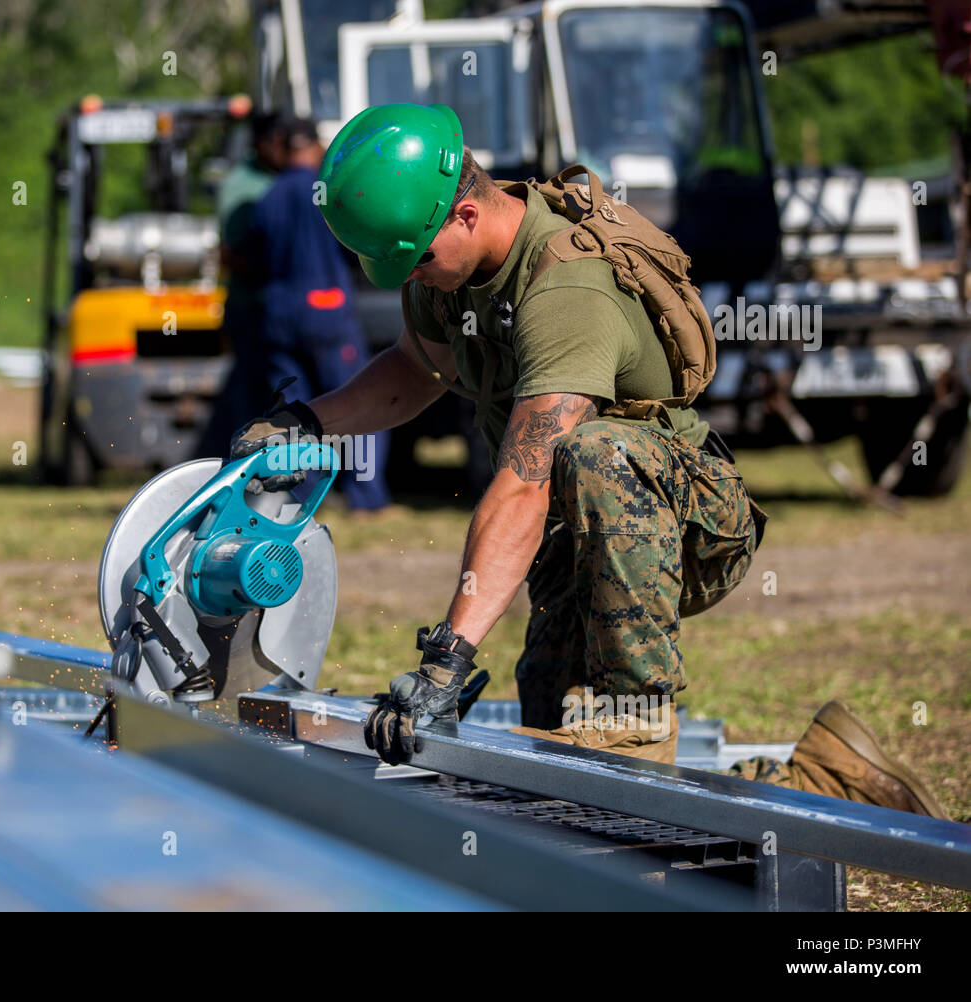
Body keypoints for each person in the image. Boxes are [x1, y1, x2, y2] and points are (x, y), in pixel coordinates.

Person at [230, 102, 950, 819]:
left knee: (594, 453)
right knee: (558, 772)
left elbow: (525, 481)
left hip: (680, 519)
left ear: (467, 216)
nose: (412, 281)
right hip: (578, 542)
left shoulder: (565, 287)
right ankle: (835, 778)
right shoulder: (447, 274)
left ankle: (638, 715)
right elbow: (416, 372)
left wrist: (446, 660)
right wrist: (308, 421)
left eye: (417, 259)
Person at [243, 117, 391, 513]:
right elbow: (357, 249)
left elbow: (251, 259)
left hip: (278, 315)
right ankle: (366, 498)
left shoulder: (268, 197)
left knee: (293, 410)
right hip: (327, 311)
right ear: (315, 146)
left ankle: (298, 499)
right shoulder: (329, 194)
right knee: (358, 399)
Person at [195, 112, 288, 459]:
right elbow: (231, 253)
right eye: (281, 143)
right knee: (250, 396)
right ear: (262, 144)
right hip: (251, 307)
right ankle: (239, 466)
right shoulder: (241, 186)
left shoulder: (279, 179)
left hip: (269, 304)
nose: (287, 150)